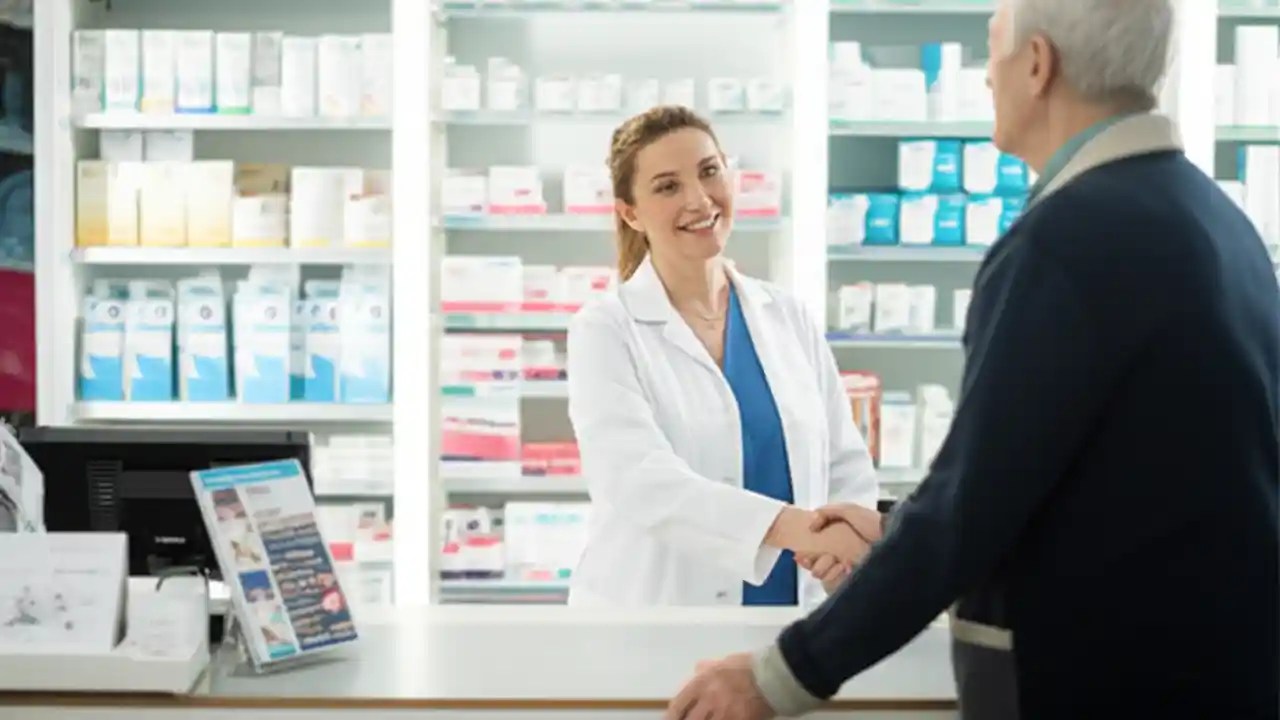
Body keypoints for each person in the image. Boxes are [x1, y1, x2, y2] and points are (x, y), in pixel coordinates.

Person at [668, 0, 1280, 717]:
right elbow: (1091, 481)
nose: (986, 79)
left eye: (990, 52)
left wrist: (780, 676)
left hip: (1112, 688)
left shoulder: (1067, 241)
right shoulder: (1220, 224)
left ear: (1037, 64)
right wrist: (895, 530)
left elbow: (973, 505)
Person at [564, 105, 882, 607]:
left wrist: (840, 548)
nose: (699, 198)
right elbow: (641, 480)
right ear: (630, 212)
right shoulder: (605, 329)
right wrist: (802, 530)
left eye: (709, 171)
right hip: (653, 621)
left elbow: (844, 464)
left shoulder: (787, 316)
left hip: (791, 616)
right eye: (667, 186)